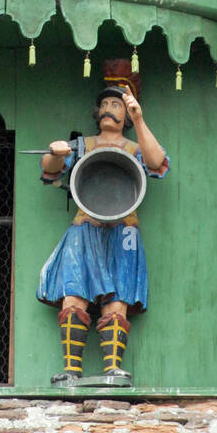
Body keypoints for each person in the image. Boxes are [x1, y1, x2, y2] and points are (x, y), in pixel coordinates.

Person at [37, 70, 169, 383]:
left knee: (118, 298)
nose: (110, 108)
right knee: (74, 295)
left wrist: (139, 120)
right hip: (85, 228)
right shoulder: (82, 145)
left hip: (124, 231)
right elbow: (49, 170)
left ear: (127, 112)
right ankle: (71, 369)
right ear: (97, 112)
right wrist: (55, 154)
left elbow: (157, 162)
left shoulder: (135, 147)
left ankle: (112, 369)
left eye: (118, 103)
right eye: (106, 103)